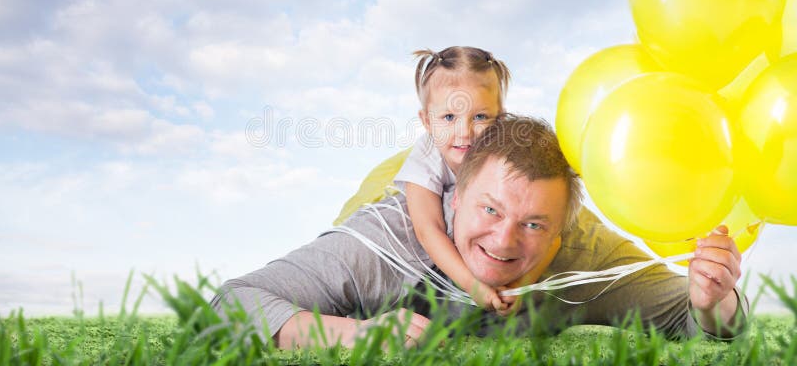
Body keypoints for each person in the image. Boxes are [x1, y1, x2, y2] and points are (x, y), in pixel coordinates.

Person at [211, 115, 747, 349]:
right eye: (489, 211)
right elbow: (232, 301)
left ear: (562, 233)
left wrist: (713, 297)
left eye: (534, 224)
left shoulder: (585, 251)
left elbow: (697, 317)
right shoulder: (385, 242)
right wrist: (351, 334)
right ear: (457, 198)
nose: (504, 241)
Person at [396, 46, 520, 313]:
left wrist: (521, 284)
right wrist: (472, 285)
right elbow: (428, 230)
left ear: (501, 118)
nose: (464, 132)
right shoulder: (426, 156)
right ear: (427, 121)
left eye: (480, 117)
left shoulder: (506, 149)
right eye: (449, 117)